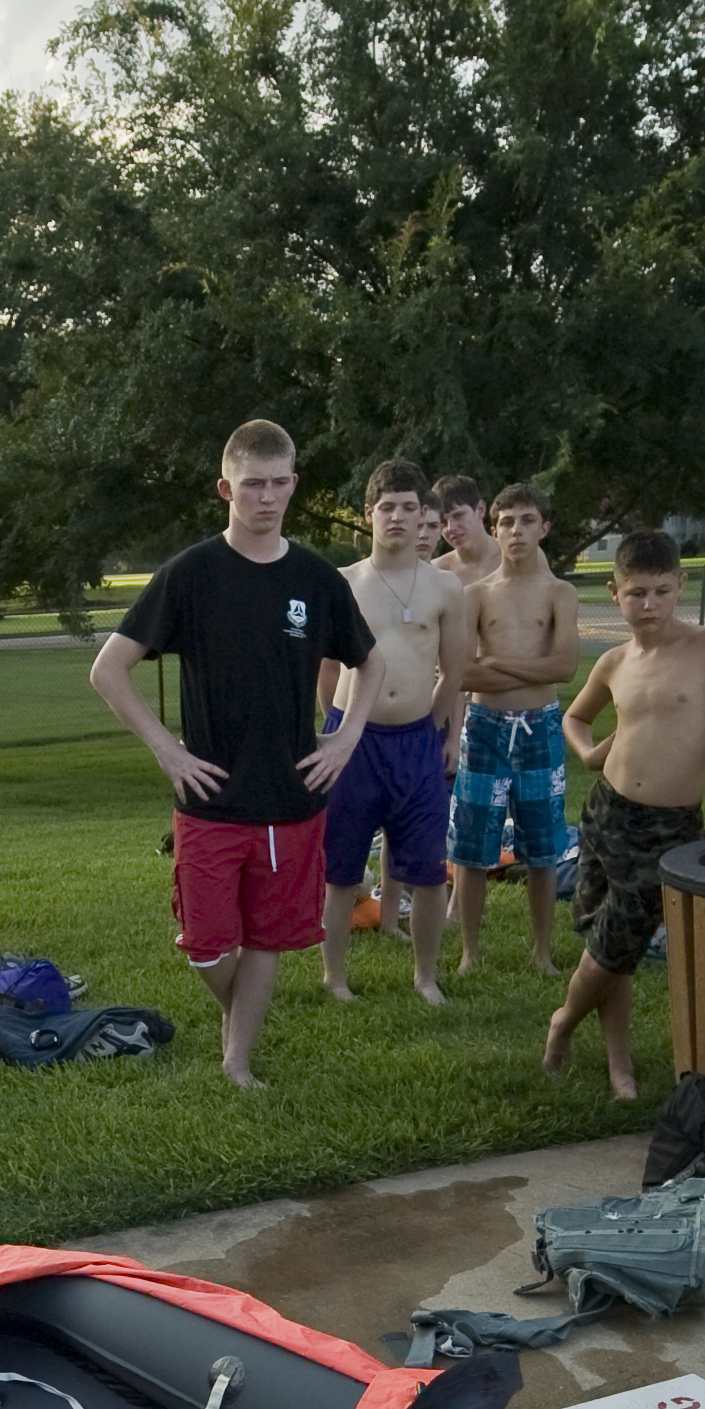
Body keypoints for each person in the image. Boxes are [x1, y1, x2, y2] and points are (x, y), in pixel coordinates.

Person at [88, 420, 379, 1089]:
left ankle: (237, 1060)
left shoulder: (315, 578)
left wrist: (346, 737)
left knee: (269, 939)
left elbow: (373, 662)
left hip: (292, 797)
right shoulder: (191, 574)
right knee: (206, 946)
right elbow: (108, 670)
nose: (266, 497)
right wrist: (166, 750)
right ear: (226, 488)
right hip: (210, 800)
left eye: (278, 483)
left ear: (294, 484)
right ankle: (240, 1018)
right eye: (252, 485)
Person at [547, 531, 705, 1098]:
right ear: (615, 593)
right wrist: (589, 752)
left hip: (668, 826)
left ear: (680, 585)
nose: (648, 604)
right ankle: (618, 1063)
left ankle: (563, 1021)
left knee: (613, 946)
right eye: (635, 593)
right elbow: (574, 718)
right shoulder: (614, 661)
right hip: (607, 813)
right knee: (611, 945)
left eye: (660, 591)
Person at [324, 460, 477, 1005]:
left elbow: (455, 672)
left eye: (408, 507)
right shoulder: (343, 582)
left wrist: (430, 730)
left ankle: (425, 977)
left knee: (429, 871)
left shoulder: (445, 587)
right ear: (368, 514)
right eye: (386, 507)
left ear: (422, 516)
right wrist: (337, 731)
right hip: (353, 740)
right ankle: (335, 977)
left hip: (415, 740)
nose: (397, 517)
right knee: (341, 870)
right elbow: (326, 669)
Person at [445, 483, 582, 981]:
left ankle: (542, 950)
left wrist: (497, 662)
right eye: (506, 522)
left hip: (540, 727)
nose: (516, 531)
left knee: (543, 847)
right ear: (495, 528)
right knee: (471, 846)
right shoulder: (476, 595)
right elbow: (462, 672)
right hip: (484, 729)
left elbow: (564, 668)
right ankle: (470, 952)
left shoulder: (560, 593)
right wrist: (526, 671)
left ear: (545, 527)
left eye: (527, 521)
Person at [429, 476, 498, 583]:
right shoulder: (436, 572)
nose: (451, 528)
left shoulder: (514, 559)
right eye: (443, 522)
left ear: (480, 509)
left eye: (458, 516)